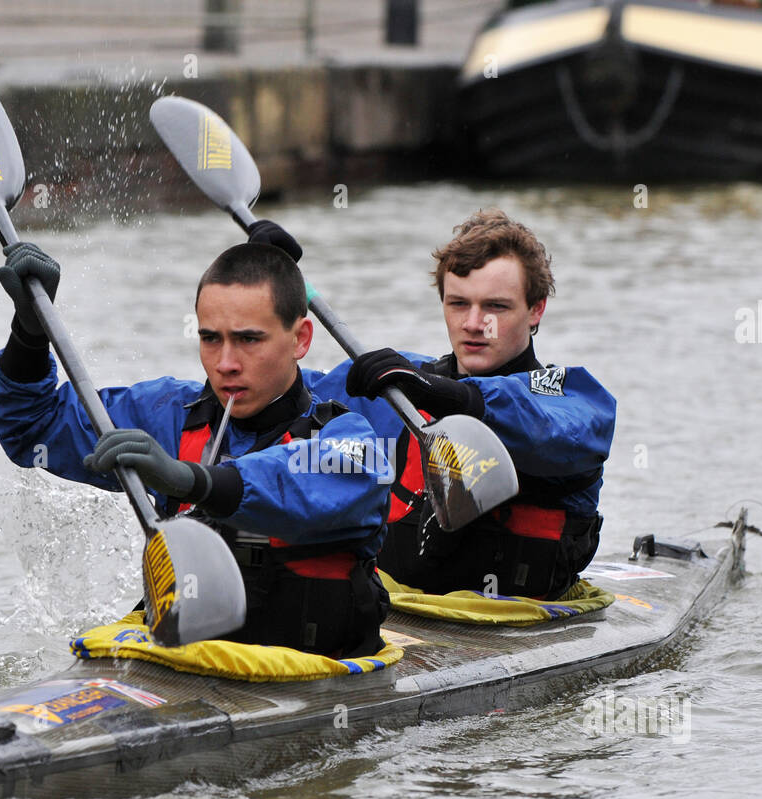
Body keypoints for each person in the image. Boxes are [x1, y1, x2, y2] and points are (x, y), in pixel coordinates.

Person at [0, 240, 390, 657]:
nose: (226, 363)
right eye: (211, 339)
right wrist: (29, 334)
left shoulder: (348, 437)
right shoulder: (168, 415)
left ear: (300, 339)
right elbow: (30, 427)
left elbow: (298, 480)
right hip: (187, 669)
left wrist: (189, 479)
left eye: (249, 339)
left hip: (316, 676)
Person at [259, 208, 615, 599]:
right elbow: (277, 398)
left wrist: (441, 394)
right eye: (458, 304)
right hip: (399, 609)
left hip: (515, 619)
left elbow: (549, 427)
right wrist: (270, 291)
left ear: (536, 309)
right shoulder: (398, 384)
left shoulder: (571, 400)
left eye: (495, 306)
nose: (474, 323)